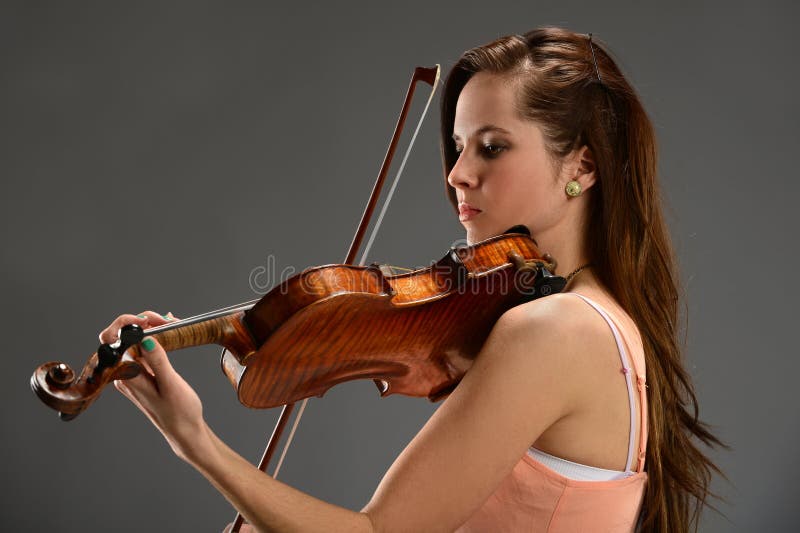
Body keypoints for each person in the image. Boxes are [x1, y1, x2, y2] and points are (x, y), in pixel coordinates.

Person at [103, 27, 722, 532]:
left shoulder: (555, 329)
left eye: (492, 147)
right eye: (457, 148)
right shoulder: (602, 321)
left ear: (582, 165)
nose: (457, 174)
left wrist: (195, 441)